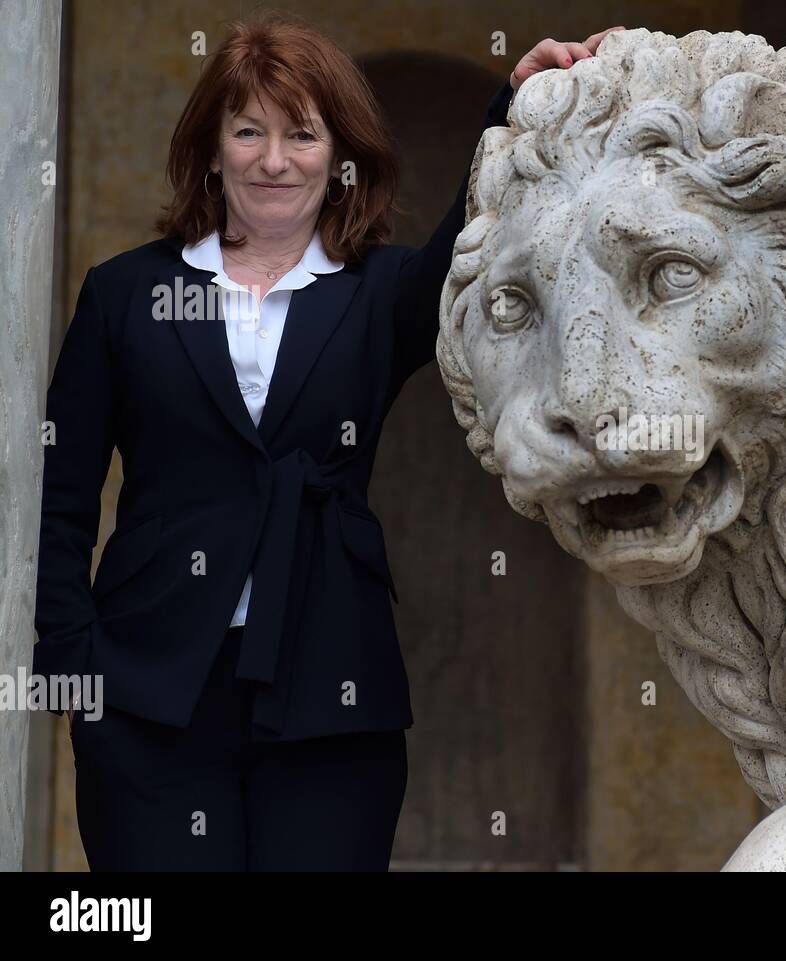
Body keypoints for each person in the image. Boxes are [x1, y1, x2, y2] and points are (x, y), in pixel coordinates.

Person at [32, 12, 623, 871]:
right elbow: (60, 498)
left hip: (330, 701)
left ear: (340, 158)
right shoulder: (127, 294)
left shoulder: (381, 293)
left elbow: (470, 229)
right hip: (147, 699)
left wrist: (514, 99)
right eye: (249, 132)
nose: (274, 160)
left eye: (302, 134)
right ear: (213, 148)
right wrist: (73, 673)